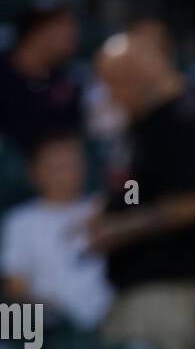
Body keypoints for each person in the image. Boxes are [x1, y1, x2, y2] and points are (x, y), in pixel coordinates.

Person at [88, 31, 195, 349]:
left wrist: (115, 230)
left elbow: (191, 205)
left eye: (114, 83)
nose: (110, 95)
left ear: (137, 77)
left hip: (169, 291)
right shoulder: (143, 127)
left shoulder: (185, 120)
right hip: (136, 290)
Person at [0, 135, 113, 331]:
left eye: (71, 164)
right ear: (34, 172)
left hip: (110, 319)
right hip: (48, 326)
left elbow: (136, 195)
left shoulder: (103, 209)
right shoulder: (20, 221)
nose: (64, 173)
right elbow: (14, 286)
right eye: (55, 166)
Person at [0, 1, 81, 156]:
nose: (72, 35)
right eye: (63, 26)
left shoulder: (68, 80)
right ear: (37, 30)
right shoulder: (3, 72)